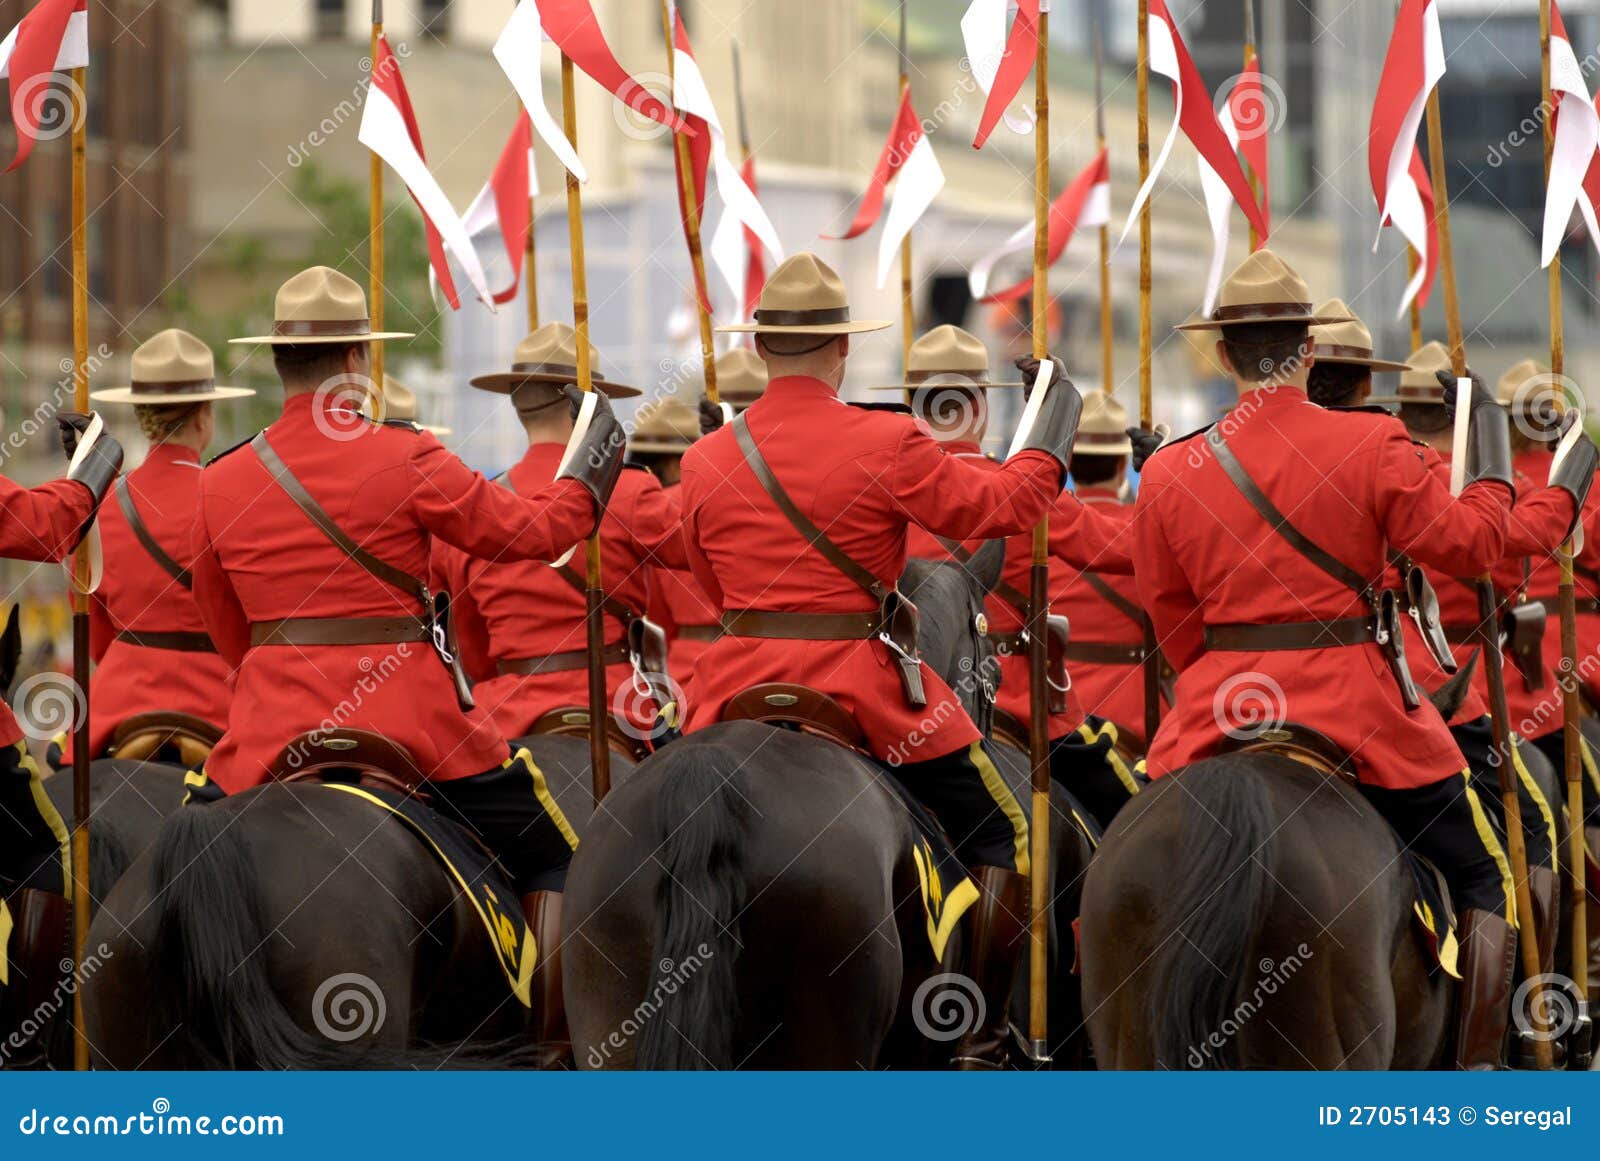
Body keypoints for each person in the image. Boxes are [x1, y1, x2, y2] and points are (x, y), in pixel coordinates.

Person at [184, 267, 626, 1058]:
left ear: (281, 363)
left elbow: (226, 631)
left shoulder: (220, 481)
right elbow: (527, 534)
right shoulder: (409, 454)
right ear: (358, 359)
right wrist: (592, 469)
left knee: (179, 868)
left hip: (266, 732)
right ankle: (550, 1047)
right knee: (553, 850)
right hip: (408, 724)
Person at [678, 254, 1082, 1067]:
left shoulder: (705, 458)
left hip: (732, 689)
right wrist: (1051, 425)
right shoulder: (886, 438)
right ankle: (979, 1032)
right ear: (840, 352)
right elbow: (1001, 506)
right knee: (1010, 833)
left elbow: (707, 579)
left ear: (759, 349)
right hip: (861, 689)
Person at [1135, 248, 1525, 1069]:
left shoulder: (1170, 469)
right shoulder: (1373, 443)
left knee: (1126, 862)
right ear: (1306, 352)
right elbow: (1472, 546)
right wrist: (1490, 461)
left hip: (1216, 710)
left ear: (1222, 354)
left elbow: (1172, 623)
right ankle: (1487, 1066)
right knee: (1487, 871)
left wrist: (1220, 682)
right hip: (1357, 716)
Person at [887, 325, 1142, 828]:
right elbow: (1127, 550)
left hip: (904, 705)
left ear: (910, 405)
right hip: (1017, 708)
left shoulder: (879, 494)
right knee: (1136, 819)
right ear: (981, 406)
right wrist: (1155, 475)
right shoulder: (1026, 491)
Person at [431, 323, 685, 745]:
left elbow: (471, 649)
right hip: (617, 708)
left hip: (508, 716)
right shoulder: (631, 491)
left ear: (517, 405)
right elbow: (697, 559)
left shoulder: (477, 505)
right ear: (592, 407)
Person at [64, 330, 256, 764]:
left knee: (55, 806)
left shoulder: (98, 503)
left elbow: (96, 641)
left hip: (121, 703)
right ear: (204, 418)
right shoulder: (239, 500)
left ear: (142, 417)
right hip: (222, 707)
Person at [0, 402, 123, 1063]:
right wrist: (96, 467)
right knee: (48, 857)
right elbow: (48, 525)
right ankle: (25, 1049)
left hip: (123, 702)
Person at [629, 393, 721, 675]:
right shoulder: (732, 493)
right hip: (749, 655)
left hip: (685, 663)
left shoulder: (647, 513)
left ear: (670, 463)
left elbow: (655, 614)